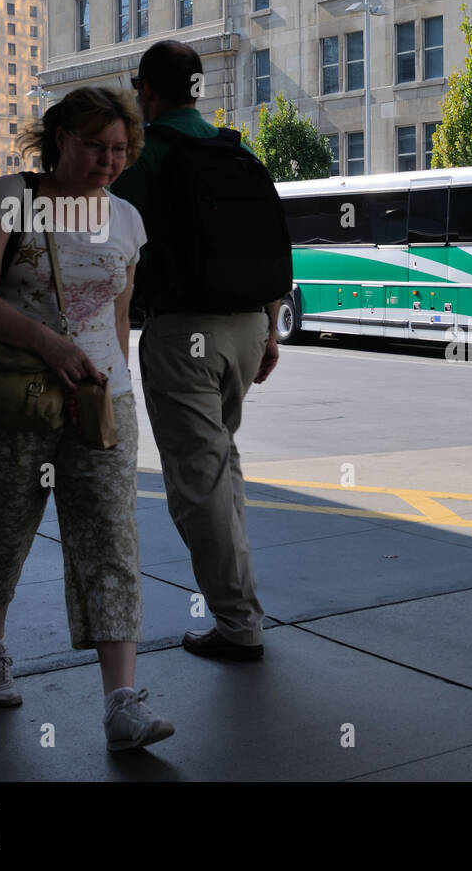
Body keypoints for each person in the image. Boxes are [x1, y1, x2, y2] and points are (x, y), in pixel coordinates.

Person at [0, 87, 174, 752]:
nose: (108, 161)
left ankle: (121, 702)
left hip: (102, 402)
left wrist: (117, 381)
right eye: (94, 146)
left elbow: (118, 314)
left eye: (119, 149)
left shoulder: (128, 219)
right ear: (60, 139)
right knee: (1, 527)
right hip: (15, 398)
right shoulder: (11, 198)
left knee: (112, 541)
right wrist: (51, 345)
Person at [110, 40, 281, 662]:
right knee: (221, 463)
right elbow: (261, 245)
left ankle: (239, 625)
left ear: (146, 92)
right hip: (247, 328)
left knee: (199, 481)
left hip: (185, 333)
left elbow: (112, 256)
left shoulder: (147, 160)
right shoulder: (236, 152)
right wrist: (269, 326)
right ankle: (243, 610)